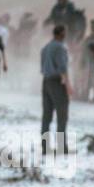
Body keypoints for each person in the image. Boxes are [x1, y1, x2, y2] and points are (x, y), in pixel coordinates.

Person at [39, 24, 70, 155]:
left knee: (46, 116)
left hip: (46, 81)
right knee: (62, 115)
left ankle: (45, 147)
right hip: (57, 82)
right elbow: (63, 67)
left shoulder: (45, 48)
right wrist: (68, 85)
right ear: (61, 34)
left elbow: (42, 66)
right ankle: (62, 146)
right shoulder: (60, 47)